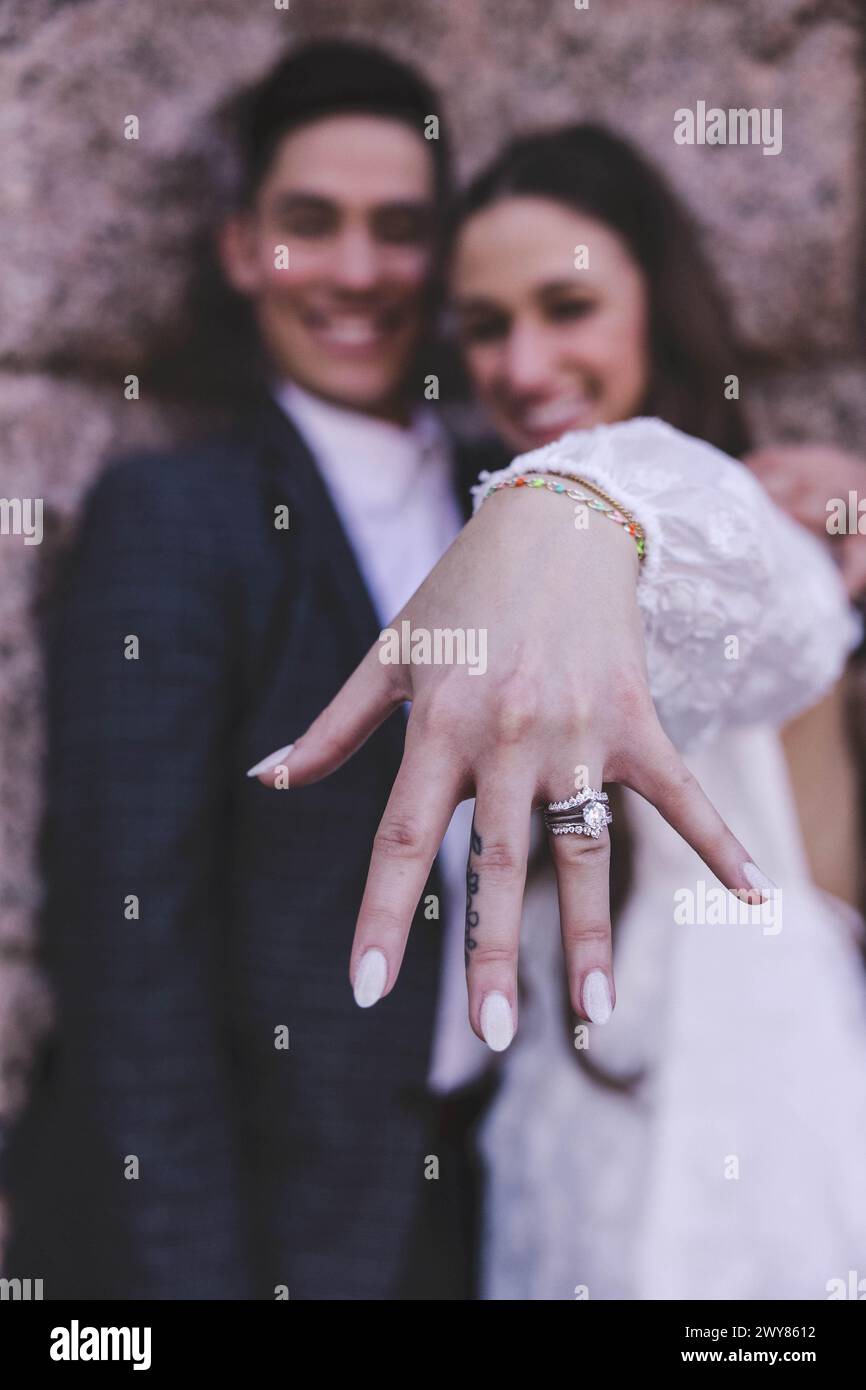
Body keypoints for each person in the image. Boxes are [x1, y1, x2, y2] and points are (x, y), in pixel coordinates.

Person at [252, 126, 866, 1299]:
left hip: (730, 1162)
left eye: (565, 306)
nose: (523, 363)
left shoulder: (758, 524)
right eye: (484, 325)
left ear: (656, 302)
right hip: (542, 1137)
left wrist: (576, 500)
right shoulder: (479, 551)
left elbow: (703, 526)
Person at [1, 39, 496, 1301]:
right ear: (239, 249)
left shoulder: (513, 501)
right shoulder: (179, 513)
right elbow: (130, 948)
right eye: (308, 225)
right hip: (255, 1231)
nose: (355, 270)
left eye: (399, 229)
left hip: (470, 1202)